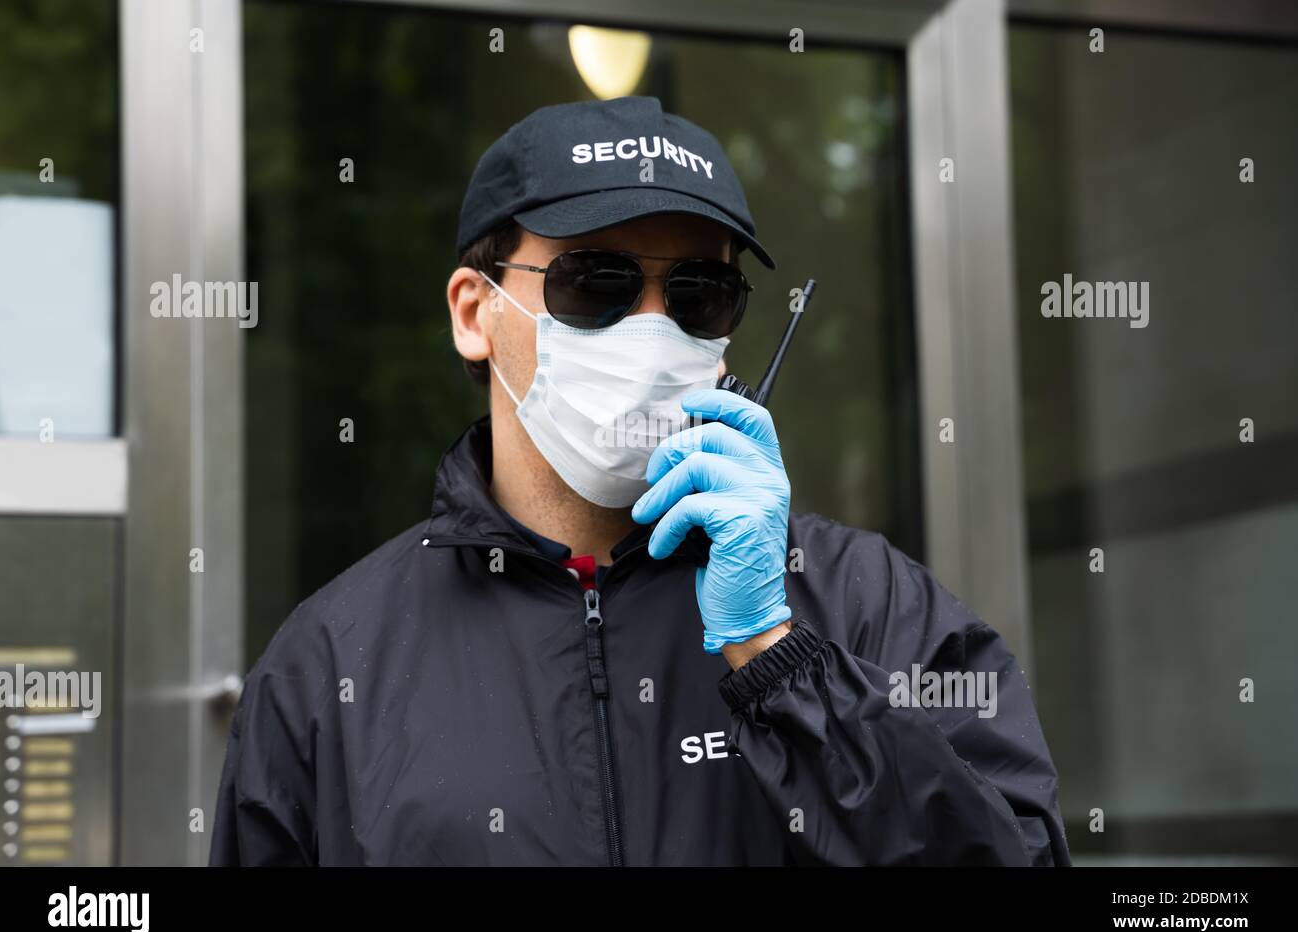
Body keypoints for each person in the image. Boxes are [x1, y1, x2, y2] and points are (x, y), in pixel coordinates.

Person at [211, 96, 1070, 866]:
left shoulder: (874, 607)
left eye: (700, 294)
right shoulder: (329, 664)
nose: (653, 330)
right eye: (598, 283)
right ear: (476, 314)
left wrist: (779, 662)